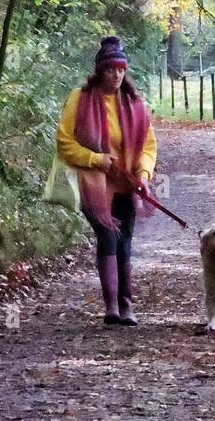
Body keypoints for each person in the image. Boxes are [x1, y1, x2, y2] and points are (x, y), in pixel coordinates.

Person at [56, 36, 157, 326]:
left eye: (121, 69)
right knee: (108, 235)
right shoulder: (80, 99)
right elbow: (65, 142)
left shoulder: (135, 104)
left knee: (125, 240)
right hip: (94, 182)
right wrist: (96, 159)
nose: (117, 75)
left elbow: (148, 147)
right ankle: (111, 305)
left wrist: (142, 175)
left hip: (126, 183)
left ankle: (127, 306)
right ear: (100, 70)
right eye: (111, 69)